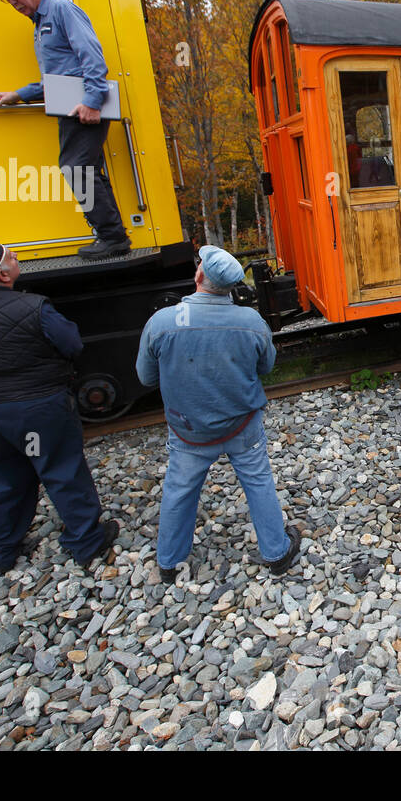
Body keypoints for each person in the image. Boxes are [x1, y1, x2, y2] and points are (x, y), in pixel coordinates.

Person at [0, 242, 118, 573]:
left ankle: (0, 551)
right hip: (35, 408)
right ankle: (86, 542)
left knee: (3, 474)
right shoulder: (34, 307)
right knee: (61, 469)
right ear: (1, 273)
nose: (17, 259)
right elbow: (72, 343)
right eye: (11, 257)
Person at [136, 245, 299, 583]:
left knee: (179, 490)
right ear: (232, 286)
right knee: (258, 482)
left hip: (187, 430)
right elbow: (266, 367)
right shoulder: (251, 322)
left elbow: (146, 377)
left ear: (199, 275)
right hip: (241, 426)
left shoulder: (162, 321)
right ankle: (276, 553)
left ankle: (169, 563)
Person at [0, 0, 131, 260]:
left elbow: (91, 56)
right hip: (69, 106)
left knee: (75, 169)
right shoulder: (39, 24)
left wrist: (92, 100)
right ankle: (112, 235)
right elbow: (57, 77)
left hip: (82, 106)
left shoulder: (62, 10)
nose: (12, 2)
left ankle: (112, 237)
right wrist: (19, 94)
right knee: (87, 170)